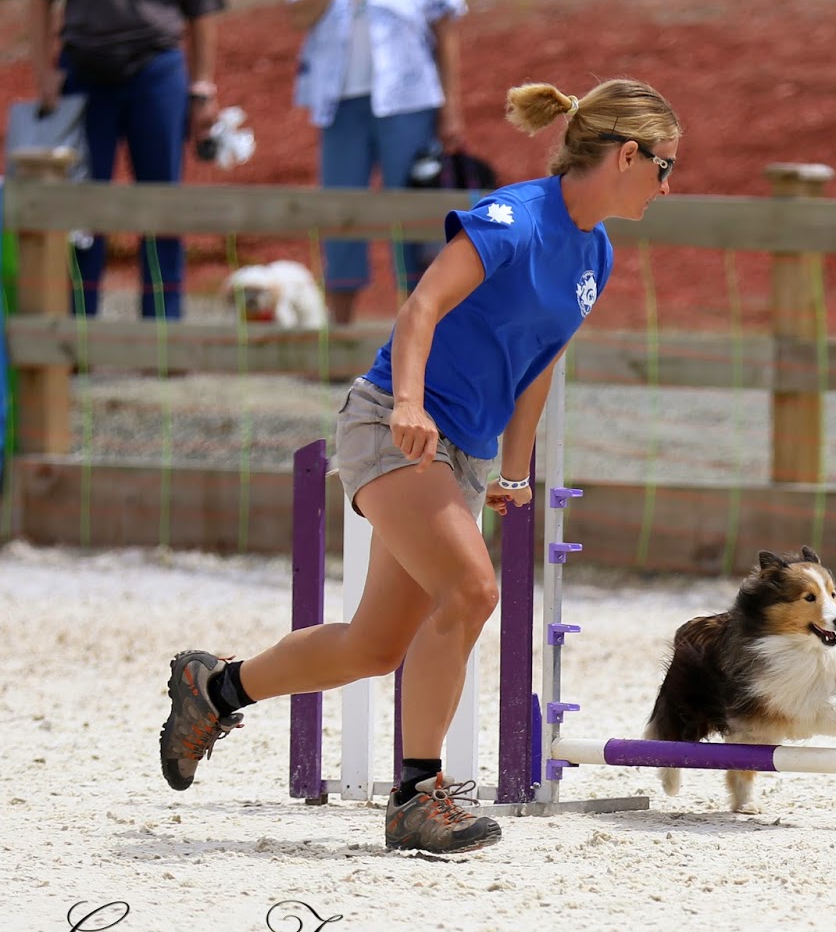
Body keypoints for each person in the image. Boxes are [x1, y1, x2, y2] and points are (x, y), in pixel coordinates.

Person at [159, 78, 682, 855]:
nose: (670, 183)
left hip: (463, 455)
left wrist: (513, 468)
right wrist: (408, 402)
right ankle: (416, 795)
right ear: (628, 154)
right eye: (666, 166)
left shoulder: (595, 251)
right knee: (473, 590)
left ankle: (215, 688)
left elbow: (539, 364)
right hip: (392, 428)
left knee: (373, 648)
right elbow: (421, 309)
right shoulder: (515, 217)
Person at [18, 0, 227, 320]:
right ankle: (76, 335)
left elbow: (201, 8)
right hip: (84, 73)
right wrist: (43, 72)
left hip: (156, 71)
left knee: (161, 205)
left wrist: (203, 87)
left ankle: (163, 333)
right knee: (81, 210)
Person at [288, 0, 467, 326]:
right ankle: (340, 334)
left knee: (415, 217)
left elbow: (445, 28)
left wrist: (451, 106)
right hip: (340, 105)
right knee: (340, 212)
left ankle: (425, 333)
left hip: (409, 103)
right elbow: (298, 16)